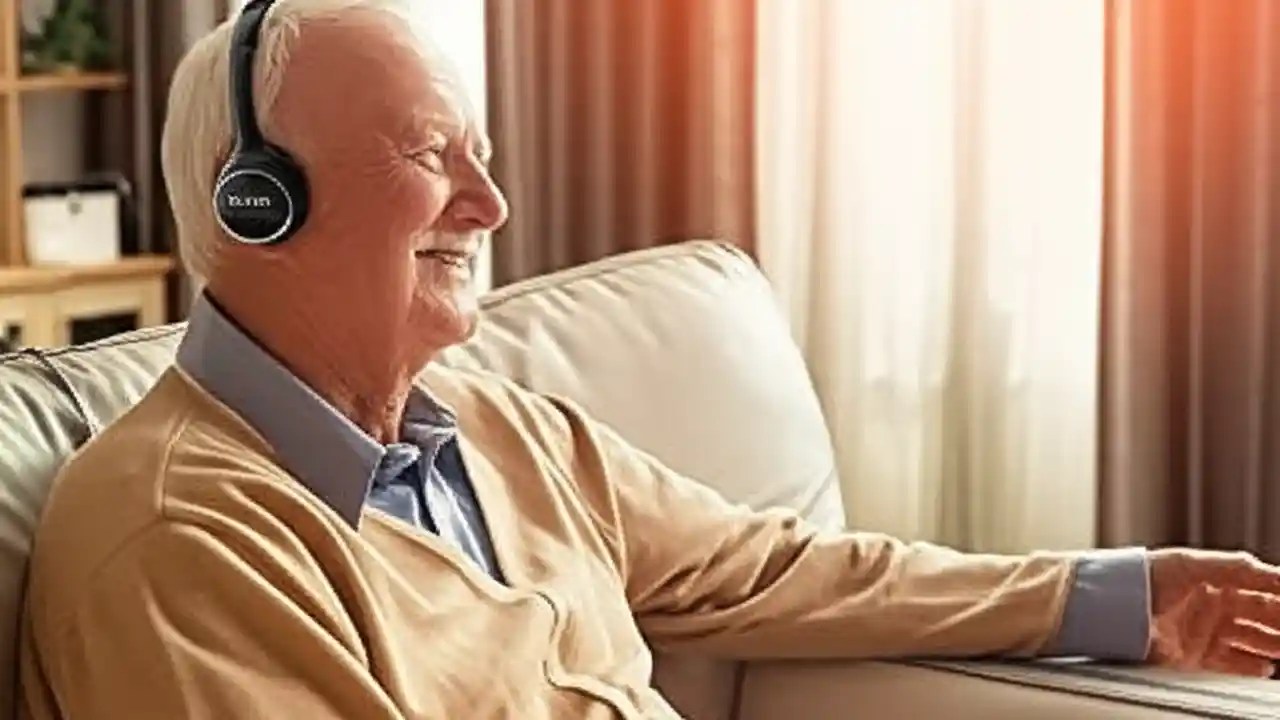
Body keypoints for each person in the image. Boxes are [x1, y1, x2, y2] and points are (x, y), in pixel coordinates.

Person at [17, 1, 1280, 717]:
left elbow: (781, 569)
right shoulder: (178, 540)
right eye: (428, 156)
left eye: (485, 155)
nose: (490, 208)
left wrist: (1123, 597)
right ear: (260, 207)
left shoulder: (509, 434)